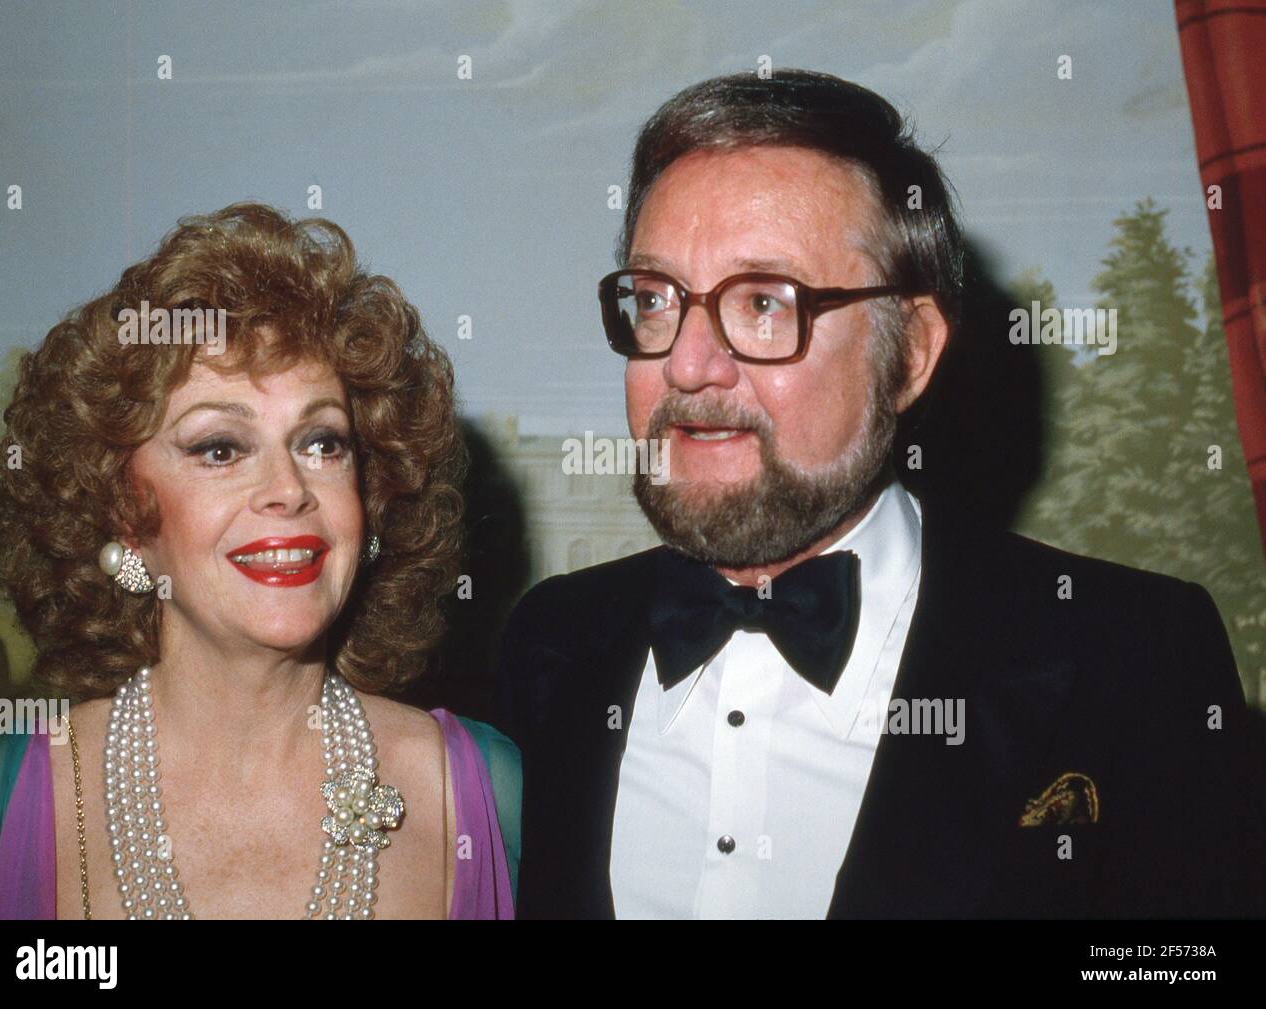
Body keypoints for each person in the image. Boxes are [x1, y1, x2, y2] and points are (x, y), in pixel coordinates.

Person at [495, 69, 1263, 919]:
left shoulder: (1133, 662)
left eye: (761, 303)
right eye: (655, 300)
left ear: (909, 354)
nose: (685, 364)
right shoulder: (548, 649)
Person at [0, 203, 519, 919]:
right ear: (122, 512)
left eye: (322, 442)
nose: (289, 489)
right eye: (219, 448)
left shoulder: (482, 791)